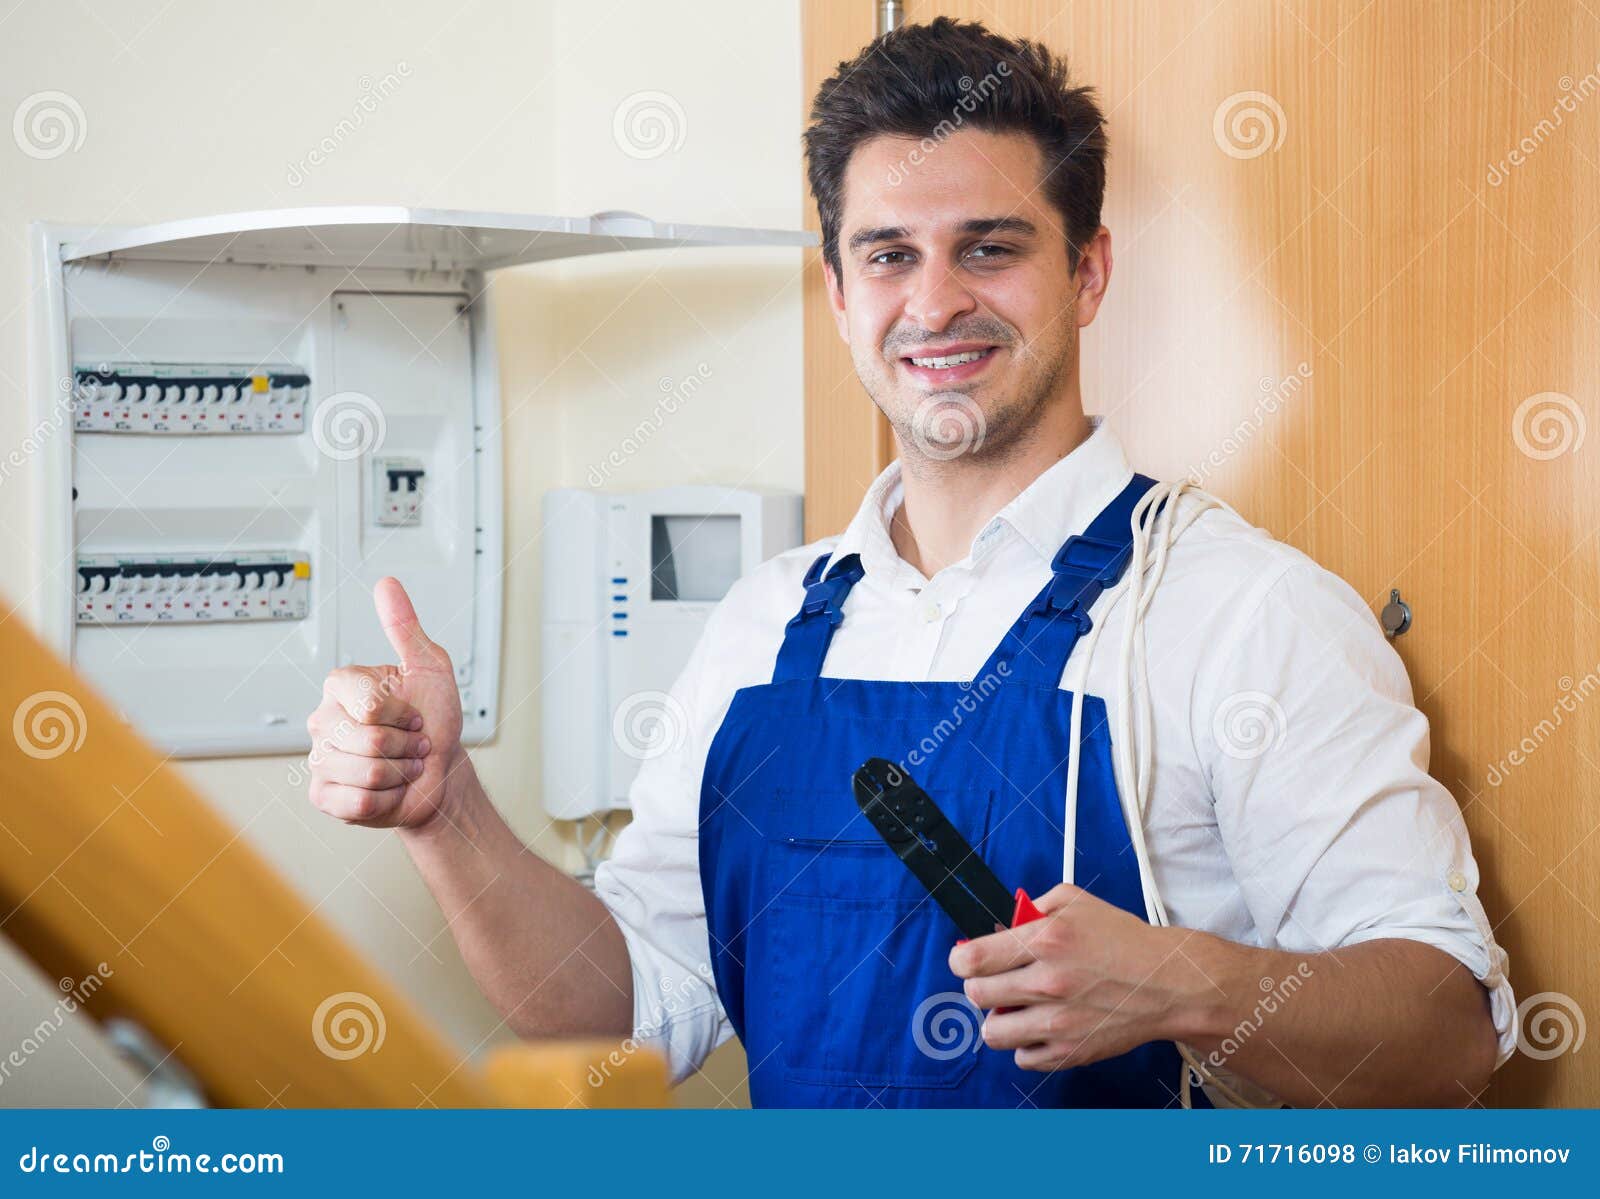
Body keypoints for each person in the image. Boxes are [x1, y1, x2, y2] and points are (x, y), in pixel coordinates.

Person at [304, 17, 1512, 1108]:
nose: (935, 304)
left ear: (1087, 273)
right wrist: (443, 806)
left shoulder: (1244, 612)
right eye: (887, 255)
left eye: (990, 248)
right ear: (836, 292)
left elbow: (1447, 1030)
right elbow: (613, 1003)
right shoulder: (761, 624)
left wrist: (1186, 984)